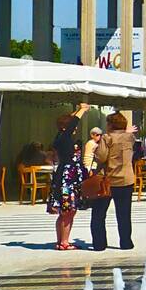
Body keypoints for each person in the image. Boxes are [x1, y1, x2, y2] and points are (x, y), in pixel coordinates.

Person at [89, 112, 137, 251]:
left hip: (107, 180)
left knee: (98, 214)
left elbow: (101, 158)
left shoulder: (107, 138)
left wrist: (96, 149)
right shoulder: (130, 137)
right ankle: (126, 242)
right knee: (124, 214)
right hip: (126, 179)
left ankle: (99, 244)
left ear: (110, 124)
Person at [48, 102, 90, 250]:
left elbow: (69, 122)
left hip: (63, 176)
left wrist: (76, 111)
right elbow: (73, 123)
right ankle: (64, 242)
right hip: (68, 178)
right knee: (69, 211)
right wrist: (83, 110)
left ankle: (61, 241)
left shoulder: (59, 136)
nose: (75, 129)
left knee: (64, 212)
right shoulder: (65, 136)